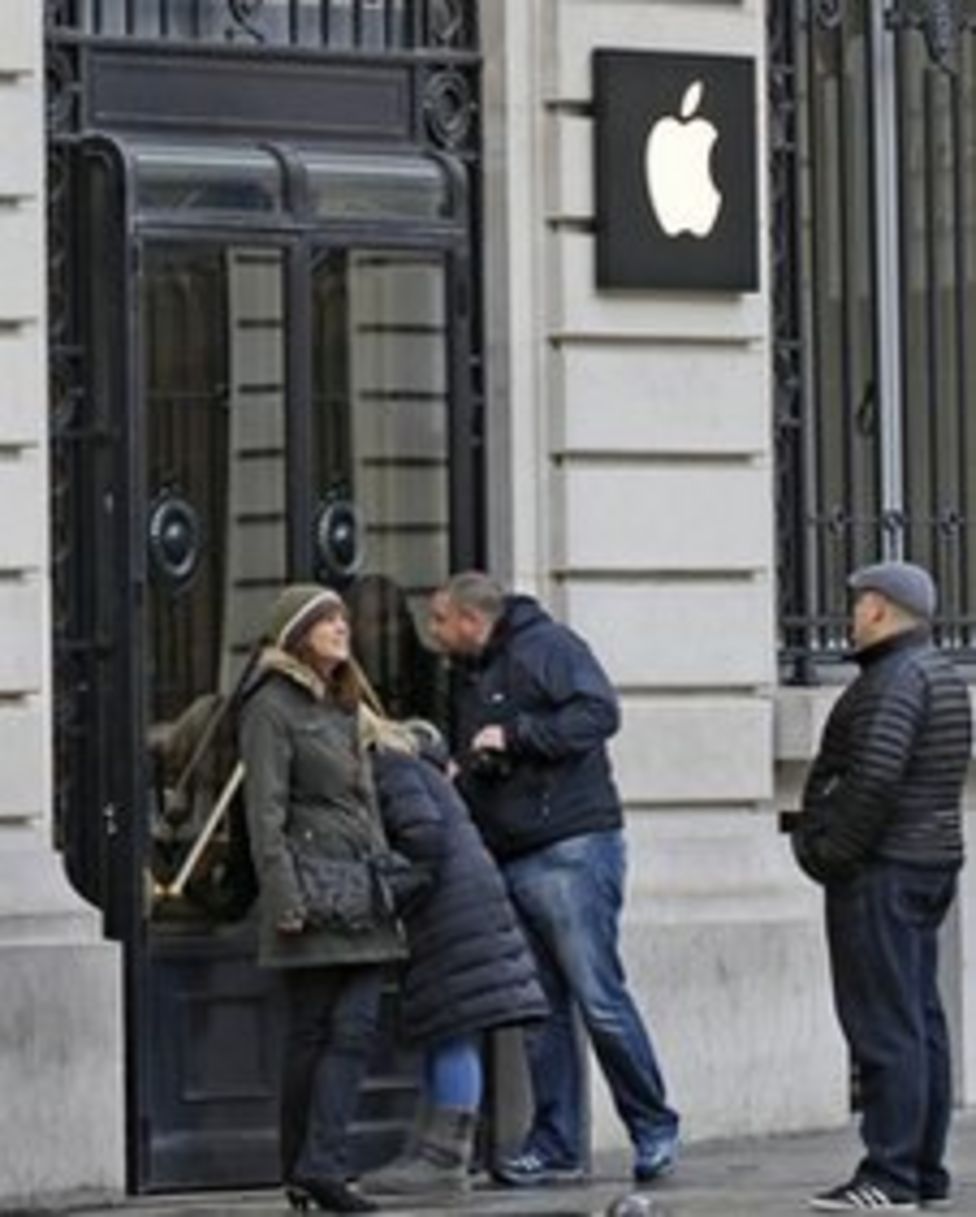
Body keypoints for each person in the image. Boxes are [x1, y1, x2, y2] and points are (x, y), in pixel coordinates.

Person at [427, 571, 680, 1188]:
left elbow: (599, 713)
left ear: (469, 618)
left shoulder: (549, 648)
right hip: (509, 851)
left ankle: (653, 1128)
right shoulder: (468, 671)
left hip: (569, 845)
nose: (431, 632)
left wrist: (513, 737)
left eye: (439, 619)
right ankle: (557, 1143)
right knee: (539, 1012)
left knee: (599, 998)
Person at [790, 561, 972, 1213]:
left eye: (859, 602)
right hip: (926, 862)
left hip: (884, 869)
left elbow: (874, 778)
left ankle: (890, 1174)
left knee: (885, 1025)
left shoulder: (895, 680)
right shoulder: (935, 671)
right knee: (919, 1019)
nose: (851, 615)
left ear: (880, 609)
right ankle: (921, 1169)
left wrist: (832, 851)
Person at [239, 584, 405, 1214]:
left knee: (354, 1028)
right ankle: (308, 1170)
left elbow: (363, 804)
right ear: (297, 633)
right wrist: (284, 899)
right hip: (311, 895)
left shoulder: (345, 704)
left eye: (343, 618)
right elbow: (266, 814)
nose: (342, 627)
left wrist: (386, 874)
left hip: (363, 894)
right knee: (312, 1034)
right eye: (326, 620)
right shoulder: (272, 707)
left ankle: (320, 1165)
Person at [357, 708, 548, 1197]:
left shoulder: (389, 768)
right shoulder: (411, 765)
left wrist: (383, 890)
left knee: (452, 1030)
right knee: (447, 1028)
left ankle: (443, 1158)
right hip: (462, 905)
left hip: (450, 911)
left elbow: (423, 840)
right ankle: (433, 1151)